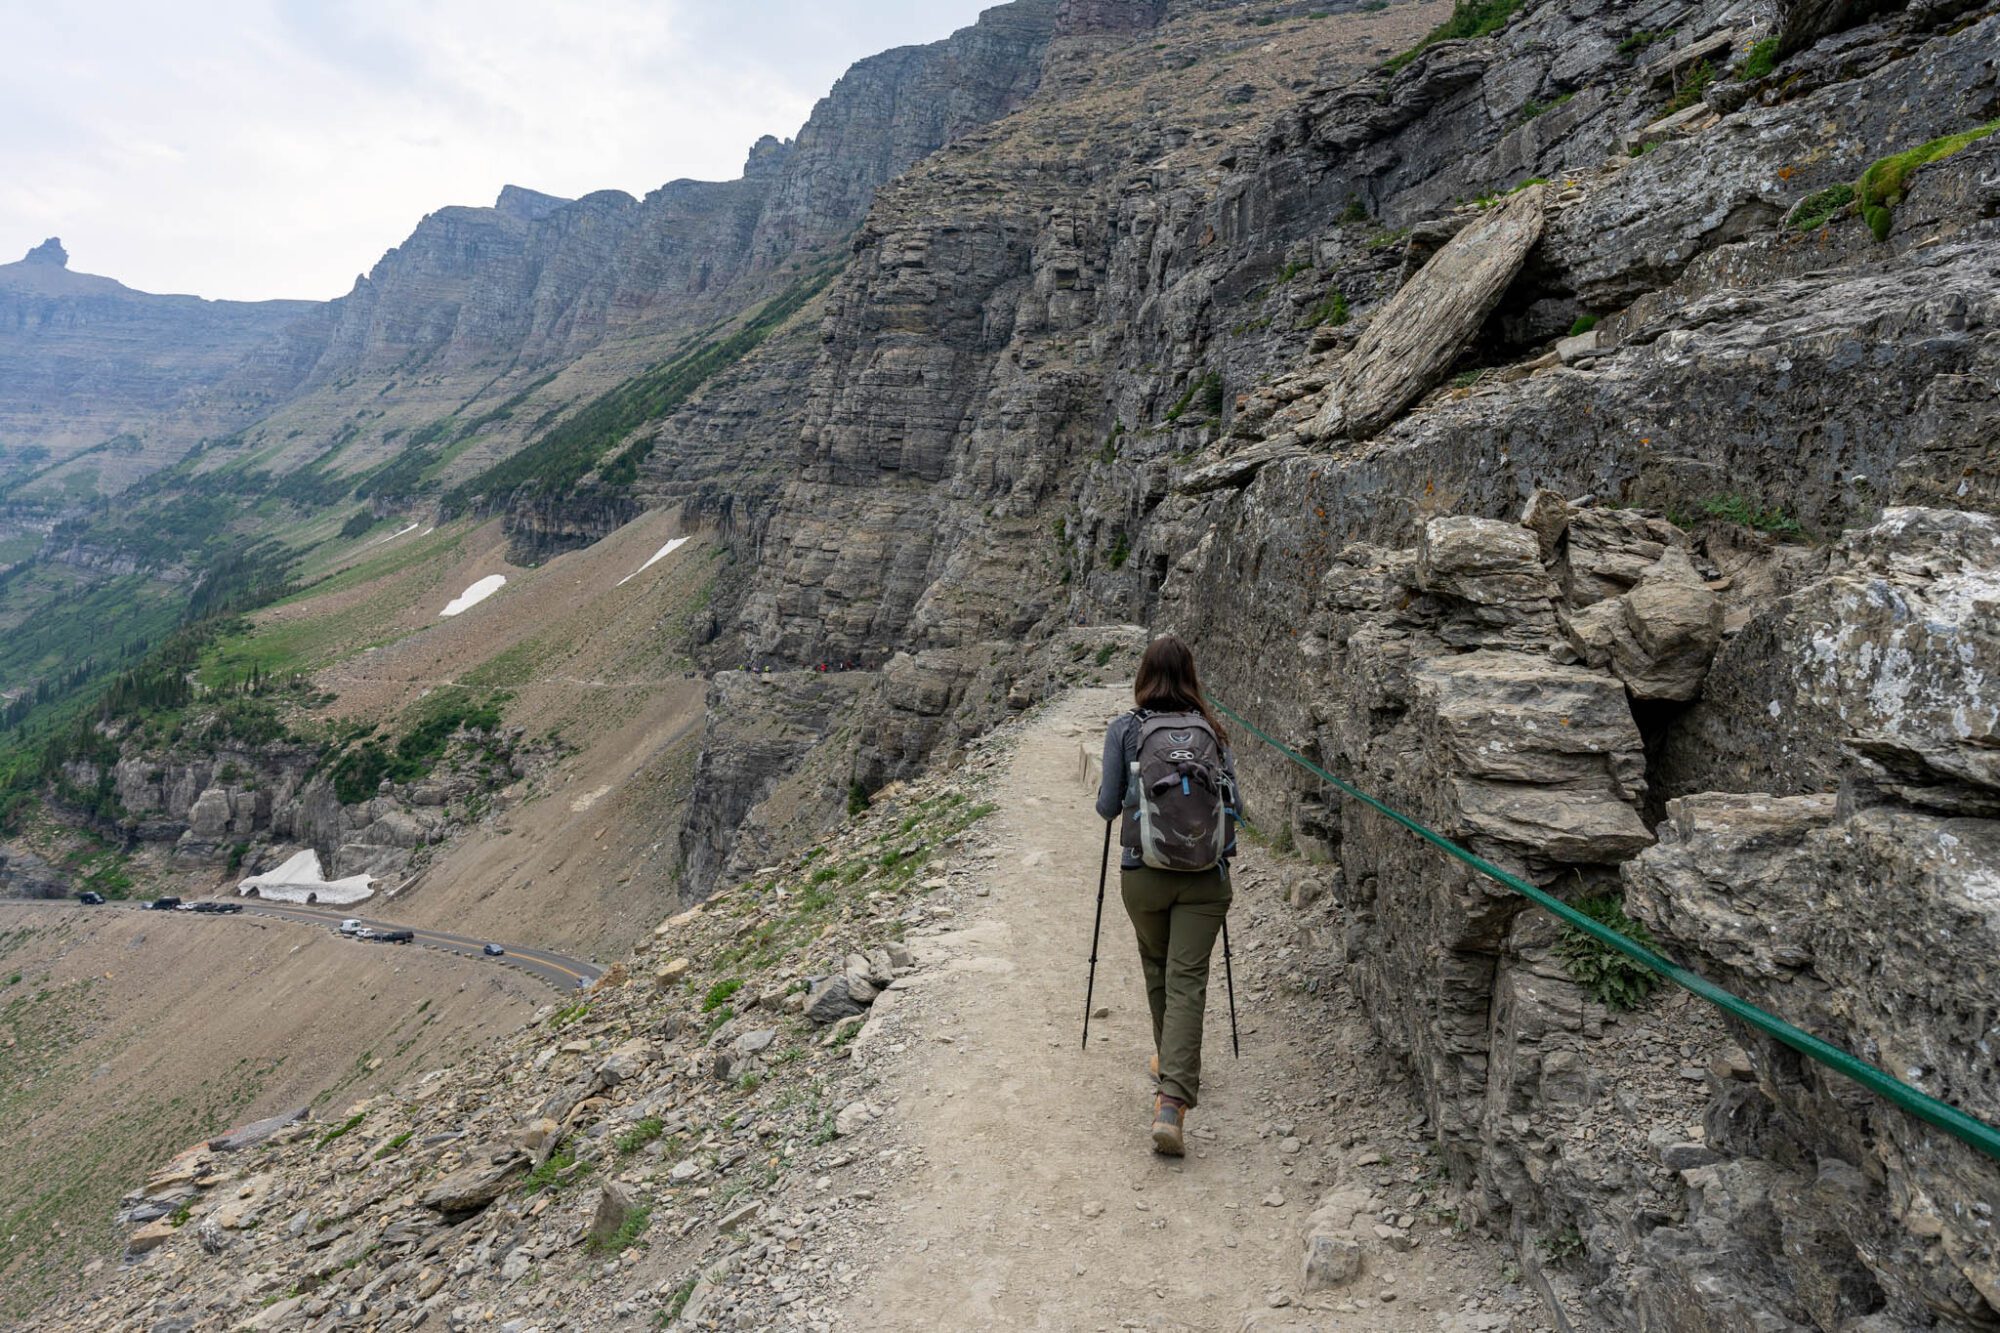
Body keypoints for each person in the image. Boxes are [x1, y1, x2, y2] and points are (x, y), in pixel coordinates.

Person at [1093, 634, 1239, 1155]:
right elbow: (1235, 805)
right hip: (1205, 876)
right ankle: (1173, 1094)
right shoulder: (1212, 732)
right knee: (1188, 980)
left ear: (1143, 675)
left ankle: (1171, 1082)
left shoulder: (1125, 729)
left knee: (1158, 968)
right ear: (1192, 676)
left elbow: (1108, 806)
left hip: (1144, 873)